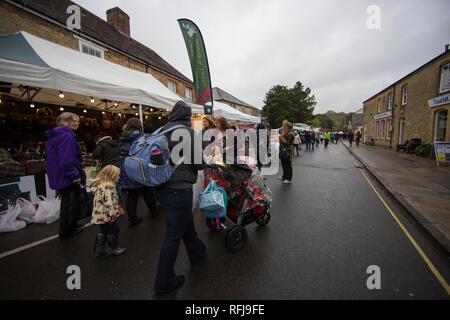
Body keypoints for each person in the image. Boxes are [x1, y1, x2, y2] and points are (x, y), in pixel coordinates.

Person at [153, 101, 206, 295]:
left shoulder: (160, 130)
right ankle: (163, 281)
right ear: (187, 116)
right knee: (173, 234)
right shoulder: (186, 133)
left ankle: (196, 251)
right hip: (179, 188)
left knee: (184, 222)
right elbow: (199, 164)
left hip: (160, 187)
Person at [45, 112, 84, 239]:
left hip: (59, 173)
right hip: (65, 175)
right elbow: (66, 159)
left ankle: (71, 225)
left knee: (69, 201)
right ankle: (66, 231)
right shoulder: (66, 136)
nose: (77, 123)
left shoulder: (57, 135)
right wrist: (74, 175)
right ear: (65, 122)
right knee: (69, 203)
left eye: (78, 121)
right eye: (74, 121)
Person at [118, 118, 161, 227]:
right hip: (141, 166)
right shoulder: (142, 137)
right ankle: (153, 210)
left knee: (131, 194)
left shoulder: (123, 137)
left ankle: (132, 218)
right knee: (147, 190)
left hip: (128, 166)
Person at [91, 165, 126, 256]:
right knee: (114, 230)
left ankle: (99, 248)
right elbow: (109, 201)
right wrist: (113, 213)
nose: (119, 177)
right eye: (117, 175)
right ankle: (113, 248)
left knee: (103, 230)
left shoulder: (100, 184)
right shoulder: (109, 186)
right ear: (112, 176)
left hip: (100, 213)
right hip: (107, 214)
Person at [279, 120, 294, 184]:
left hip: (288, 150)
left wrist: (281, 137)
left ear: (288, 127)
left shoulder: (291, 134)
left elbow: (287, 143)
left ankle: (288, 178)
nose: (283, 128)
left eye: (285, 126)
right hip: (284, 150)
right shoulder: (286, 133)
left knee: (288, 165)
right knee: (283, 163)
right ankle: (284, 176)